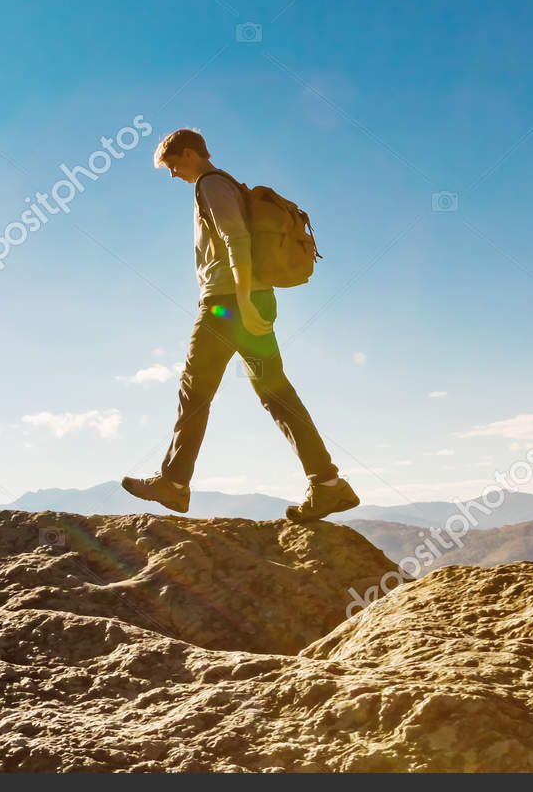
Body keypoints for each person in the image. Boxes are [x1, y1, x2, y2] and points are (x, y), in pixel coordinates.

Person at [121, 128, 359, 523]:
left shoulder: (211, 185)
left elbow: (236, 239)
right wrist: (254, 300)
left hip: (228, 306)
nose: (173, 174)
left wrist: (244, 300)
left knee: (195, 389)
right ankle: (328, 485)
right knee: (275, 392)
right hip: (251, 301)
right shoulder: (229, 184)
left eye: (174, 164)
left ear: (190, 154)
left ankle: (174, 484)